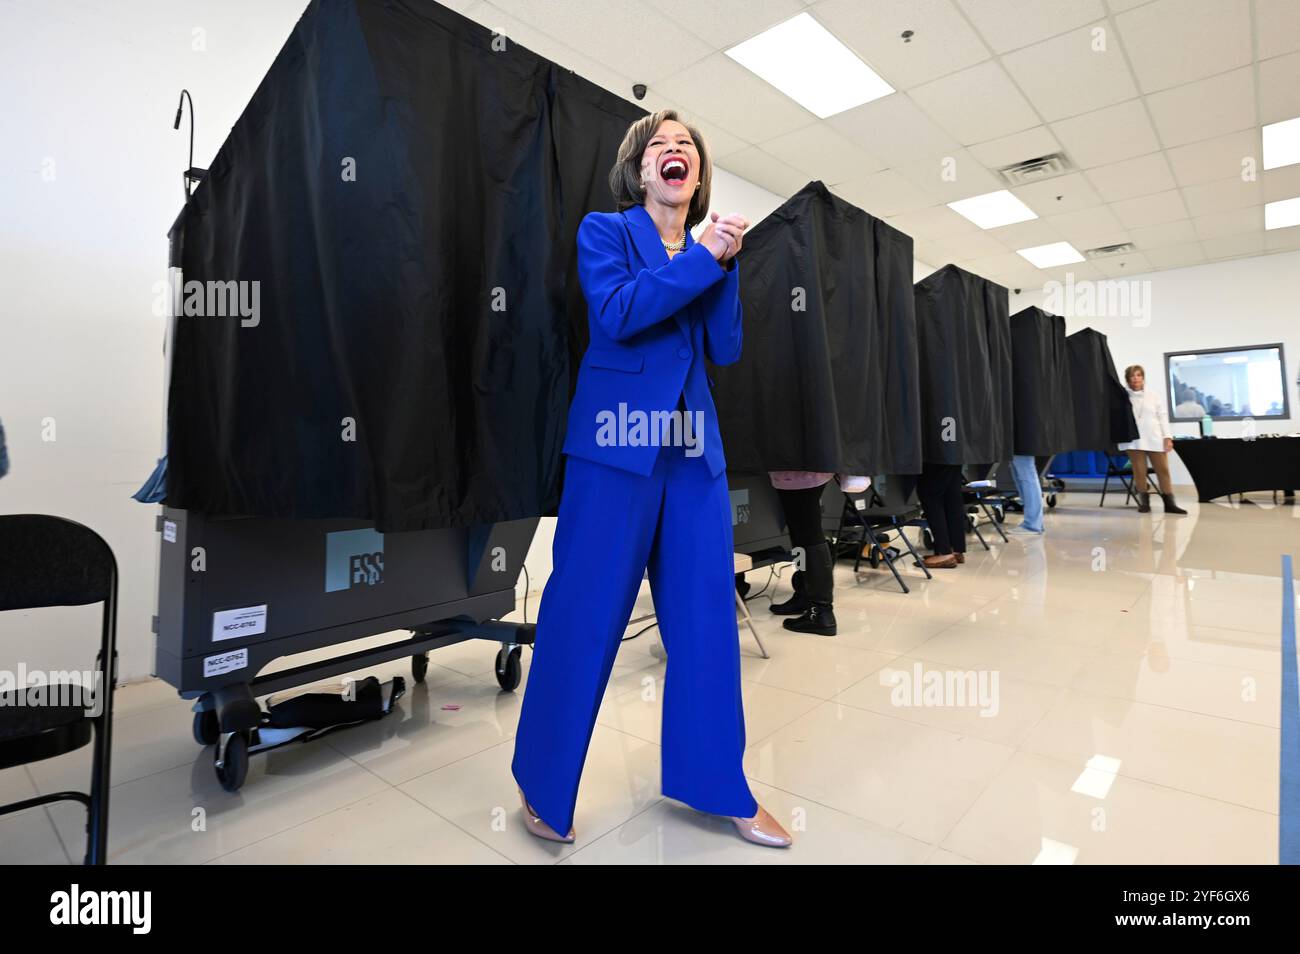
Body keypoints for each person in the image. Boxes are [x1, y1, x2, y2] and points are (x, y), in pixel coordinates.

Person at [510, 110, 791, 849]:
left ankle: (716, 785)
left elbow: (724, 349)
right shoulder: (606, 233)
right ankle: (542, 783)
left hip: (691, 455)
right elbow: (620, 313)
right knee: (583, 615)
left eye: (687, 147)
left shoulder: (707, 252)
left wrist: (725, 264)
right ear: (641, 172)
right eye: (660, 146)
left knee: (706, 624)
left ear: (695, 178)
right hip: (614, 449)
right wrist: (701, 260)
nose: (675, 152)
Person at [768, 472, 869, 636]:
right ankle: (805, 595)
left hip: (797, 468)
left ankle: (821, 612)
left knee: (806, 533)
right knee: (800, 533)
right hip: (805, 469)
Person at [1118, 364, 1187, 514]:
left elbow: (1162, 416)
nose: (1135, 378)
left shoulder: (1153, 395)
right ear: (1128, 379)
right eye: (1132, 376)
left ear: (1143, 378)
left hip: (1154, 437)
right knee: (1139, 471)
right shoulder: (1122, 396)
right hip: (1133, 440)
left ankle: (1170, 503)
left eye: (1138, 375)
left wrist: (1167, 437)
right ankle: (1144, 502)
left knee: (1163, 469)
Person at [916, 462, 967, 568]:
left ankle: (944, 553)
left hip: (934, 452)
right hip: (955, 450)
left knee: (930, 492)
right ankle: (956, 550)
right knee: (952, 493)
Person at [1006, 455, 1044, 535]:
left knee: (1026, 473)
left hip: (1022, 445)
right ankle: (1035, 523)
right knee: (1021, 474)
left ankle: (1032, 525)